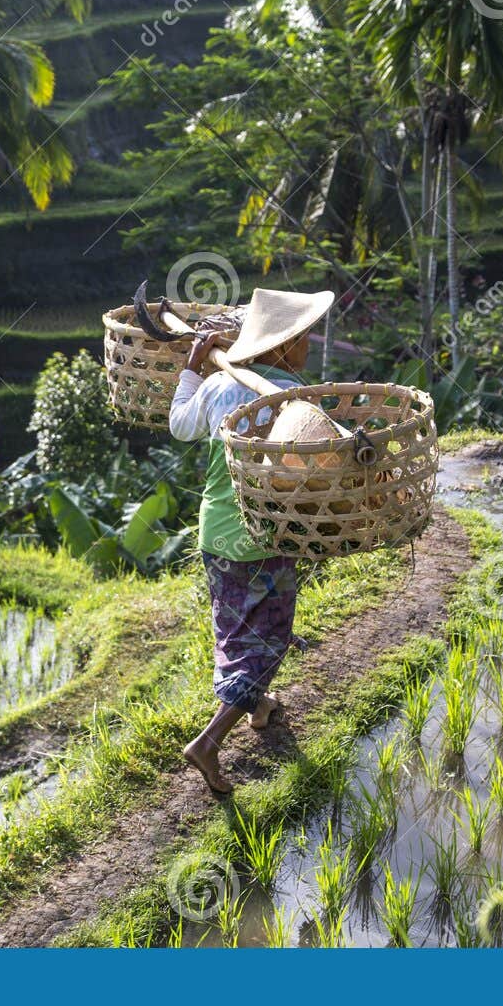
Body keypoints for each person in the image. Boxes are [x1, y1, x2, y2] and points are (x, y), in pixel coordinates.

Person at [168, 287, 335, 794]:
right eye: (304, 336)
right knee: (271, 640)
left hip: (217, 531)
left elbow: (179, 426)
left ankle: (259, 707)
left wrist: (194, 368)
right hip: (267, 537)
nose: (310, 342)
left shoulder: (220, 386)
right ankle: (209, 742)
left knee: (234, 631)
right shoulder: (297, 402)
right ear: (284, 346)